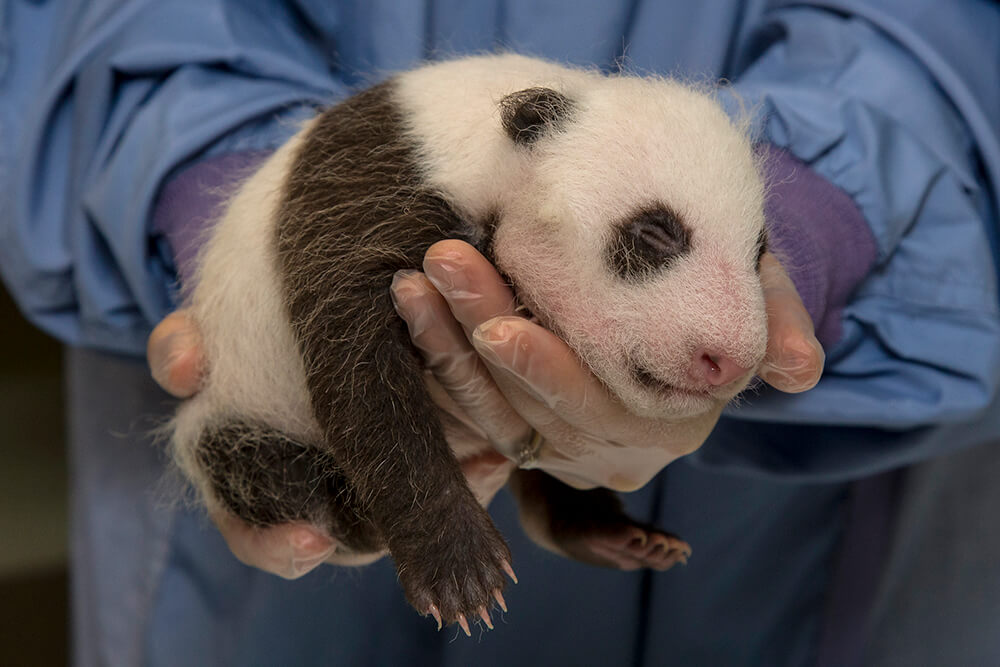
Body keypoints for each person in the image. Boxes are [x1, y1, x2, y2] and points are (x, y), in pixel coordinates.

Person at [2, 1, 998, 665]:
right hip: (263, 592)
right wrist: (188, 160)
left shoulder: (538, 162)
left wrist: (835, 206)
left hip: (805, 571)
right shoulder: (440, 168)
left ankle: (562, 506)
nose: (727, 350)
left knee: (518, 342)